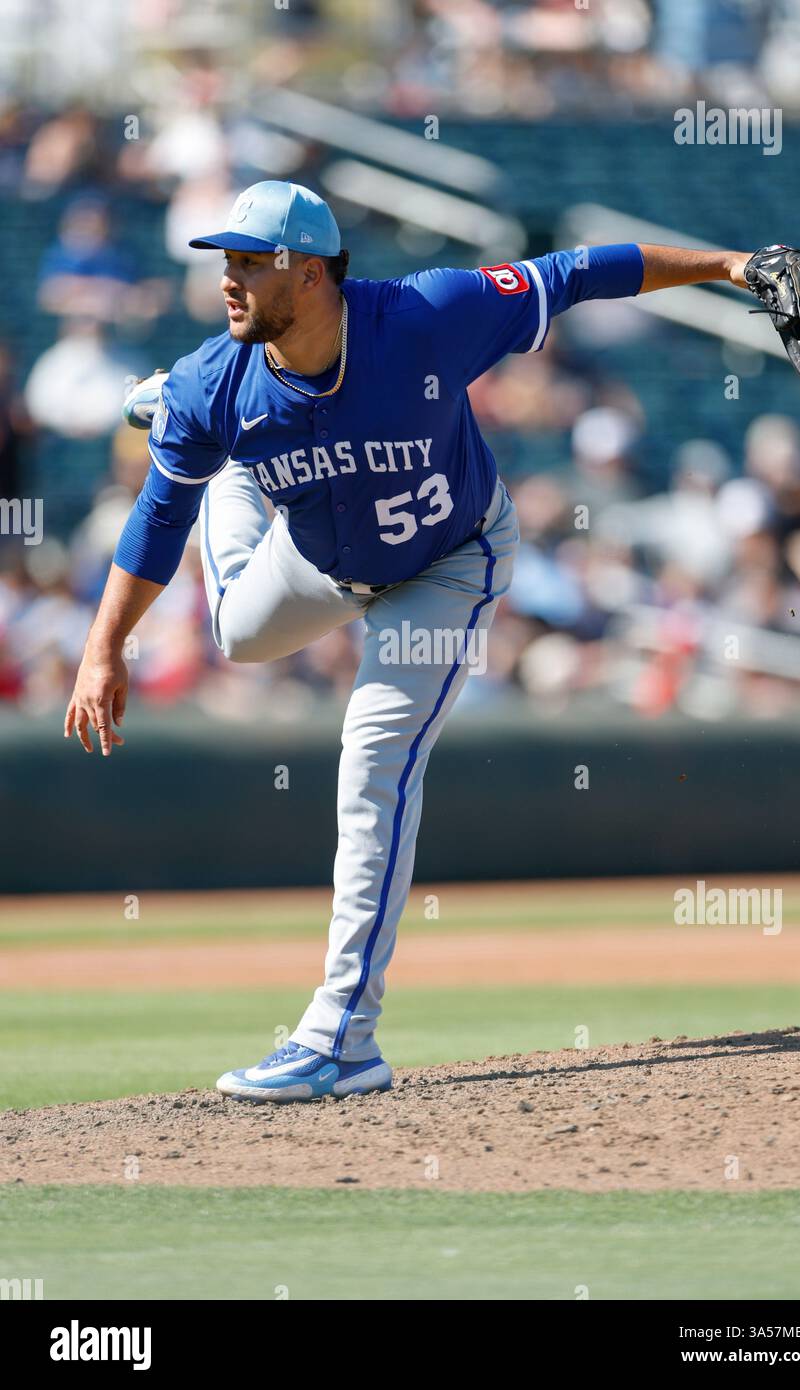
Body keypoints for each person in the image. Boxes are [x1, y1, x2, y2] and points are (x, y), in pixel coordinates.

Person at [64, 180, 750, 1102]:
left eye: (248, 262)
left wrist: (735, 266)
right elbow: (156, 520)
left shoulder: (428, 316)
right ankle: (188, 436)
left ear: (309, 274)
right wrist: (104, 647)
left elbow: (584, 272)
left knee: (373, 759)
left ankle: (342, 1037)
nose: (228, 278)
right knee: (232, 626)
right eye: (223, 260)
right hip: (312, 562)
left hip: (448, 564)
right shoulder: (216, 375)